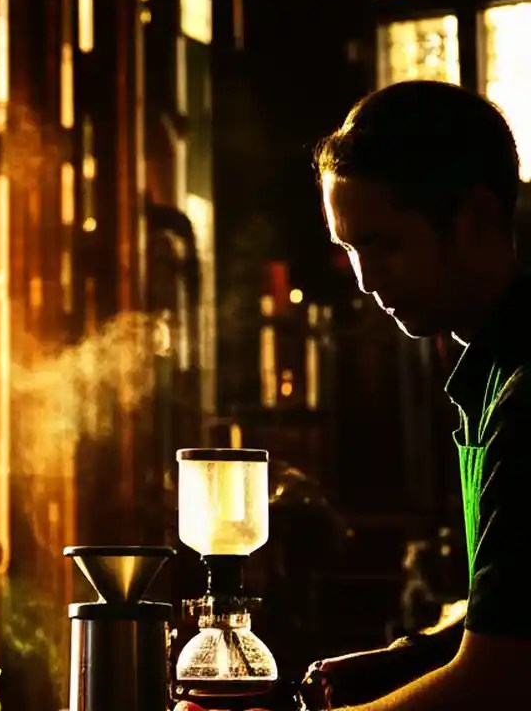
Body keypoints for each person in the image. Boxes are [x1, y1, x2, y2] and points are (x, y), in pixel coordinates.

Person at [180, 80, 531, 710]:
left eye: (386, 244)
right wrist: (399, 662)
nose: (366, 280)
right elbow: (511, 614)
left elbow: (501, 678)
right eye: (350, 248)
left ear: (476, 218)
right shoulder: (490, 371)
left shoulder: (528, 396)